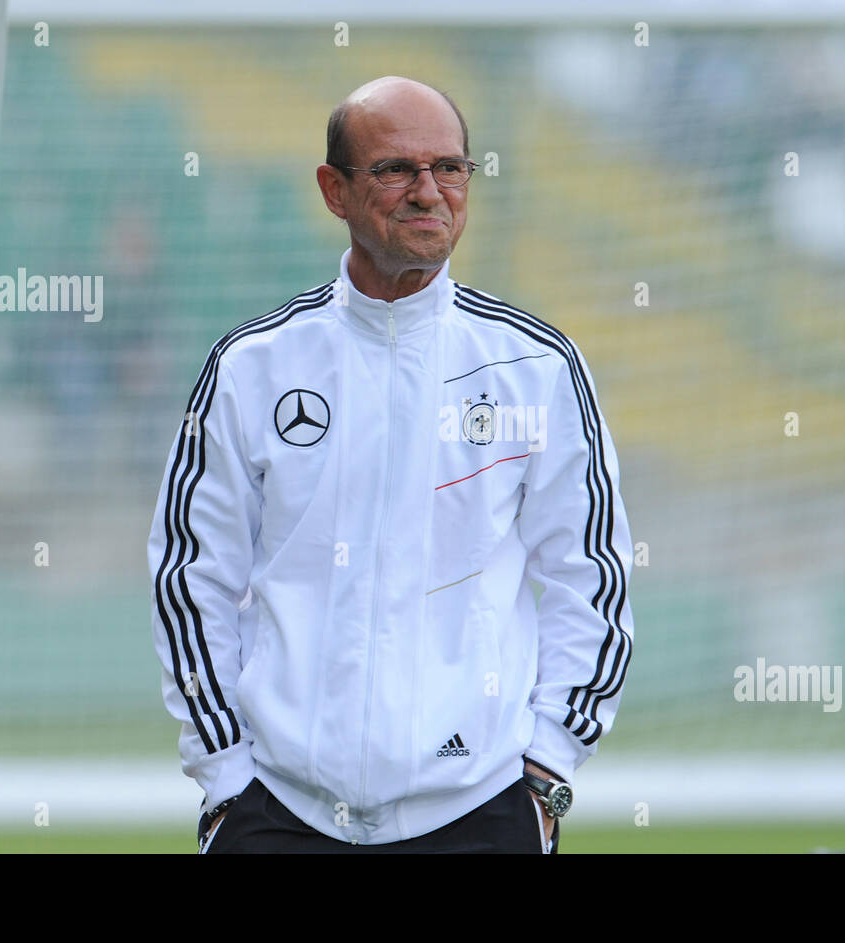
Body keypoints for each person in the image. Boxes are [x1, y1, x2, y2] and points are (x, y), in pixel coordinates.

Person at [148, 76, 634, 853]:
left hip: (481, 813)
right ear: (334, 190)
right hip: (278, 811)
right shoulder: (253, 366)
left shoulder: (535, 365)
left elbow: (591, 578)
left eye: (449, 167)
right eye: (395, 170)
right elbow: (190, 575)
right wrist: (226, 778)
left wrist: (549, 768)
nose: (429, 192)